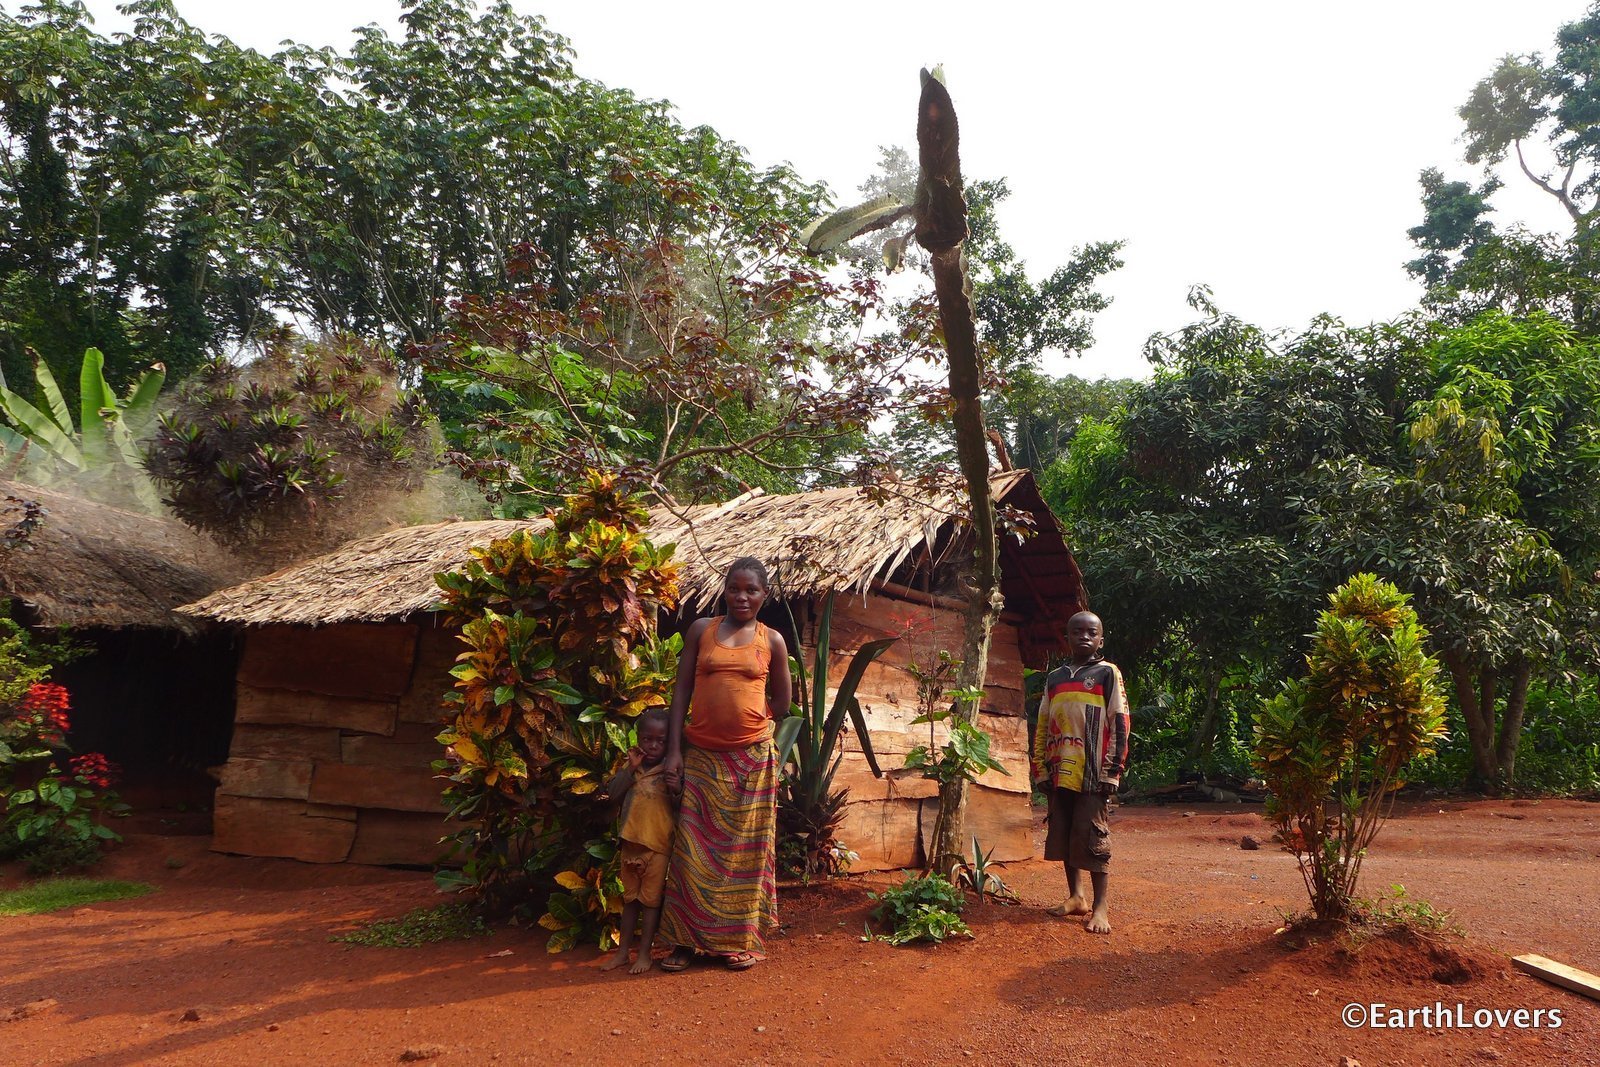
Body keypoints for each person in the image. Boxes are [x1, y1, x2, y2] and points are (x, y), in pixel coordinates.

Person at [657, 556, 792, 972]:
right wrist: (675, 752)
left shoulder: (772, 641)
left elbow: (783, 702)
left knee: (744, 855)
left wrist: (753, 721)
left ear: (764, 595)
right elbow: (681, 692)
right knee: (691, 851)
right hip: (700, 755)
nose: (742, 596)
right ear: (725, 590)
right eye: (735, 588)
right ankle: (685, 941)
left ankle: (739, 940)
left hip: (751, 760)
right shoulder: (703, 630)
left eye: (751, 590)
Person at [1031, 610, 1130, 934]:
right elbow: (1044, 723)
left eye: (1091, 632)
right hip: (1060, 771)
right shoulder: (1055, 677)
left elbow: (1120, 722)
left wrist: (1112, 771)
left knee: (1093, 838)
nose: (1084, 637)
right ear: (1067, 637)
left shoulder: (1107, 674)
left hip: (1092, 773)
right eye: (1077, 632)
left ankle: (1100, 907)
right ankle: (1076, 897)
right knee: (1064, 834)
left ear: (1101, 639)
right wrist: (1040, 769)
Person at [598, 708, 676, 974]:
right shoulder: (631, 768)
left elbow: (680, 804)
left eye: (661, 740)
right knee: (630, 901)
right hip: (629, 845)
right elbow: (613, 794)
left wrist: (675, 785)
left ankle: (645, 954)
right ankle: (623, 953)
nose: (653, 745)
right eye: (647, 739)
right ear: (638, 739)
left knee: (650, 903)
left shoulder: (671, 770)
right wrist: (629, 770)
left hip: (657, 847)